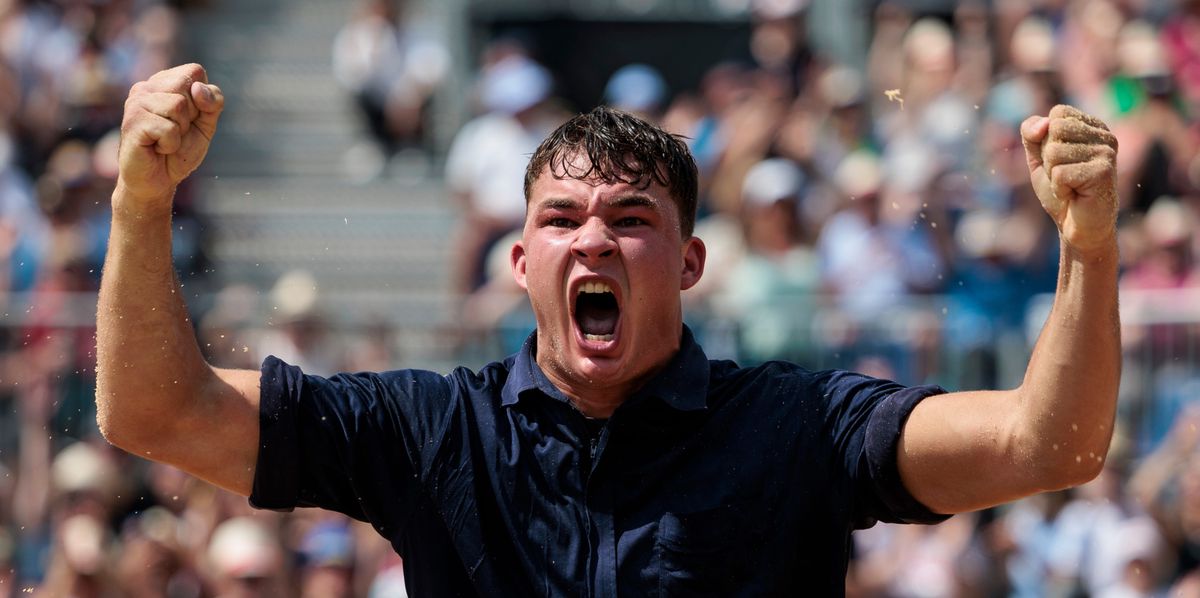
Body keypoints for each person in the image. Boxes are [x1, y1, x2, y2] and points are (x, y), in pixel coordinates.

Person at [96, 63, 1121, 596]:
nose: (594, 239)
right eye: (560, 220)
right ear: (519, 263)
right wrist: (141, 205)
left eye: (632, 222)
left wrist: (1087, 248)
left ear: (688, 264)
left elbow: (1051, 443)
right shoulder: (429, 429)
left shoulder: (798, 423)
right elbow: (151, 412)